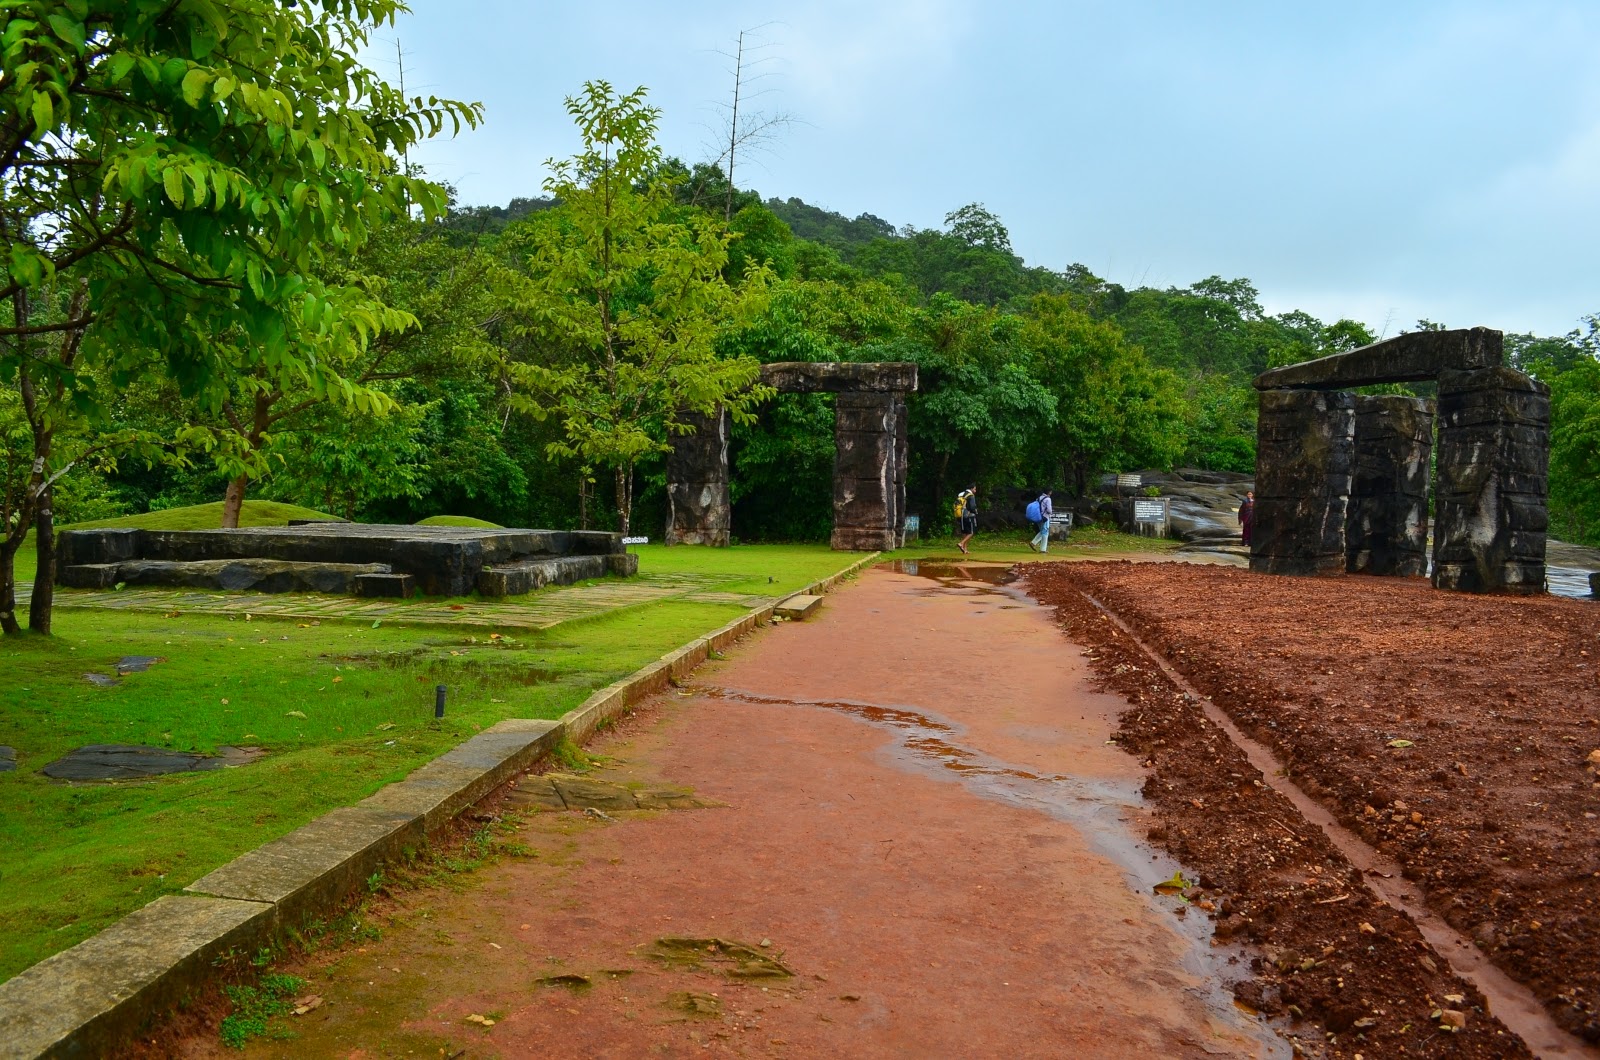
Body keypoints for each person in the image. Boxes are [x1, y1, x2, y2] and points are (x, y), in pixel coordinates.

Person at [955, 484, 978, 554]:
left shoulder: (961, 494)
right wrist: (975, 512)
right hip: (968, 515)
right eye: (974, 489)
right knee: (971, 532)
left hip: (960, 515)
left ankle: (965, 549)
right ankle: (961, 543)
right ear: (971, 489)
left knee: (965, 532)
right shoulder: (970, 495)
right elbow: (972, 507)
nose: (975, 491)